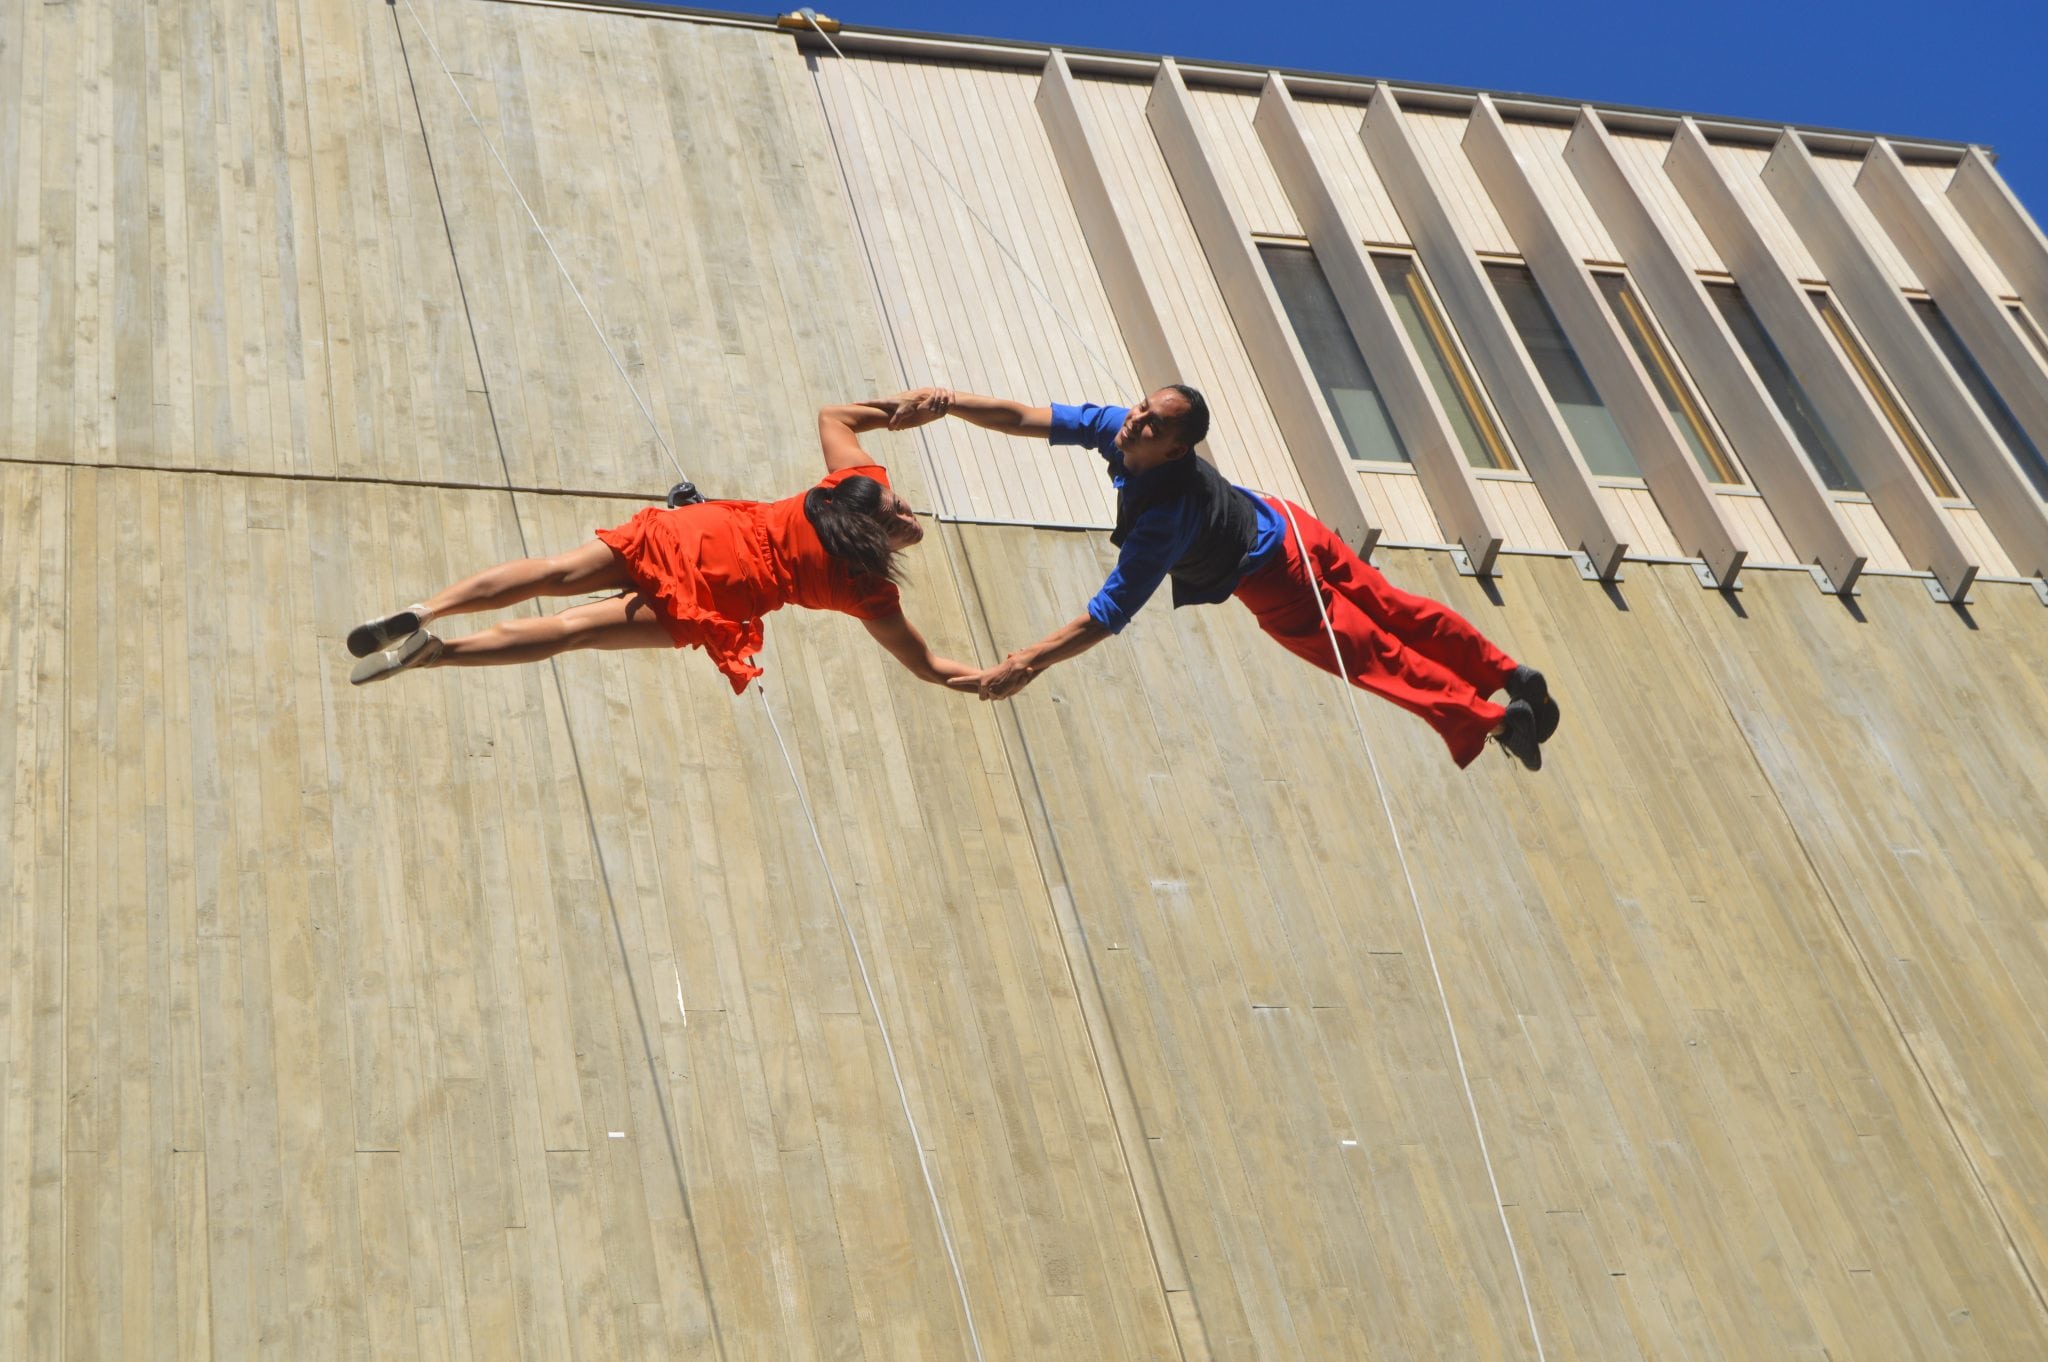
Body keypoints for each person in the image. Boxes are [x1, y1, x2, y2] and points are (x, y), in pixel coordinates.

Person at [877, 385, 1558, 770]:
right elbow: (1031, 419)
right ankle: (1506, 669)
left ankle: (1500, 717)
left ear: (1176, 449)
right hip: (1291, 524)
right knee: (1396, 606)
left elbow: (1106, 615)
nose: (1132, 422)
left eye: (1148, 425)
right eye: (1139, 409)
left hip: (1278, 578)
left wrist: (1028, 660)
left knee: (1377, 657)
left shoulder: (1164, 518)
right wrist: (948, 403)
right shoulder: (1129, 433)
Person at [346, 400, 975, 692]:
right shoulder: (866, 589)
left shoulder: (850, 485)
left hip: (695, 533)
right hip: (721, 593)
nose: (910, 517)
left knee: (555, 572)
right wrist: (990, 677)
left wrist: (909, 410)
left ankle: (427, 610)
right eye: (902, 518)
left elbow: (834, 416)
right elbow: (926, 666)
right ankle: (434, 655)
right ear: (871, 538)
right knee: (574, 630)